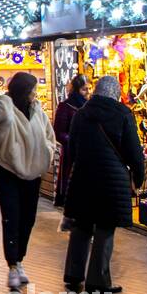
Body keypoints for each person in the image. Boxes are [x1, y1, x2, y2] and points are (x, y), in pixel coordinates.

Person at [62, 76, 145, 294]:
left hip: (83, 176)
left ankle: (73, 273)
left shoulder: (82, 114)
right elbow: (133, 151)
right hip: (111, 180)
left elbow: (72, 146)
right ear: (116, 93)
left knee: (81, 225)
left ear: (96, 92)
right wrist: (139, 175)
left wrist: (77, 167)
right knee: (105, 228)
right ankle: (98, 281)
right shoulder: (123, 114)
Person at [0, 71, 57, 290]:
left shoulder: (38, 111)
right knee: (12, 217)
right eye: (32, 90)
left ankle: (19, 260)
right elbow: (1, 120)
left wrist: (46, 153)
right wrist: (6, 100)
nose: (35, 94)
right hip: (8, 172)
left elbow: (49, 136)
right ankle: (12, 265)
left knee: (27, 219)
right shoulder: (5, 107)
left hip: (33, 174)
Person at [53, 74, 89, 207]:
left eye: (88, 89)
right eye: (84, 89)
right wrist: (73, 140)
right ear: (77, 89)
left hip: (86, 151)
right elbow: (58, 132)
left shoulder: (89, 106)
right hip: (71, 153)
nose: (87, 92)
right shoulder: (65, 106)